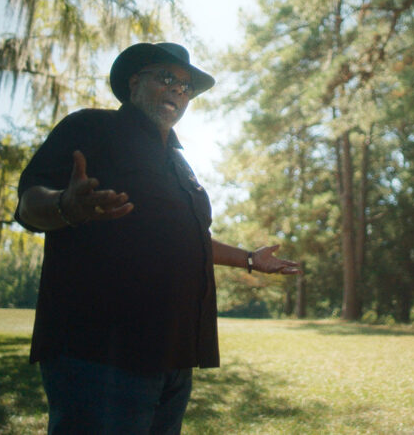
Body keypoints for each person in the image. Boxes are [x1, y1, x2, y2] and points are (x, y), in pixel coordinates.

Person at [15, 42, 301, 434]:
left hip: (173, 356)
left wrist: (249, 259)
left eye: (186, 86)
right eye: (167, 78)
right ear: (135, 82)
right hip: (100, 355)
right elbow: (29, 202)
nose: (178, 91)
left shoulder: (179, 162)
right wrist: (68, 206)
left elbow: (189, 240)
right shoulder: (90, 128)